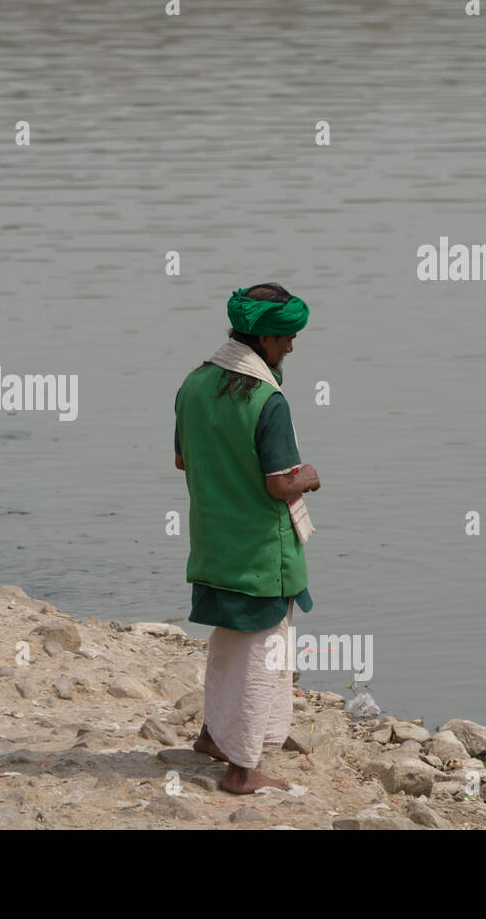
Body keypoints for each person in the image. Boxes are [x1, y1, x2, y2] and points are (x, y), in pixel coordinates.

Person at [173, 284, 321, 794]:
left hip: (213, 543)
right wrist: (309, 477)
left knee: (229, 642)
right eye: (286, 338)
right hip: (261, 551)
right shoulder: (267, 400)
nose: (291, 347)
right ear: (263, 339)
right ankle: (242, 769)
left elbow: (183, 459)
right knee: (263, 650)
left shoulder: (194, 383)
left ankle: (213, 736)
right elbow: (280, 484)